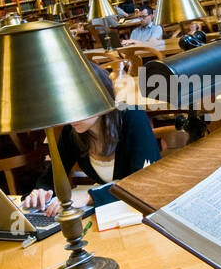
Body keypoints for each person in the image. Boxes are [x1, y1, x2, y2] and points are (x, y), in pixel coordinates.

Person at [21, 65, 160, 217]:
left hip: (142, 211)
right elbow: (51, 177)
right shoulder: (71, 131)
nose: (69, 116)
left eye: (75, 105)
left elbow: (144, 183)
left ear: (101, 97)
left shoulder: (132, 116)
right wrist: (41, 191)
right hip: (111, 213)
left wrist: (90, 197)